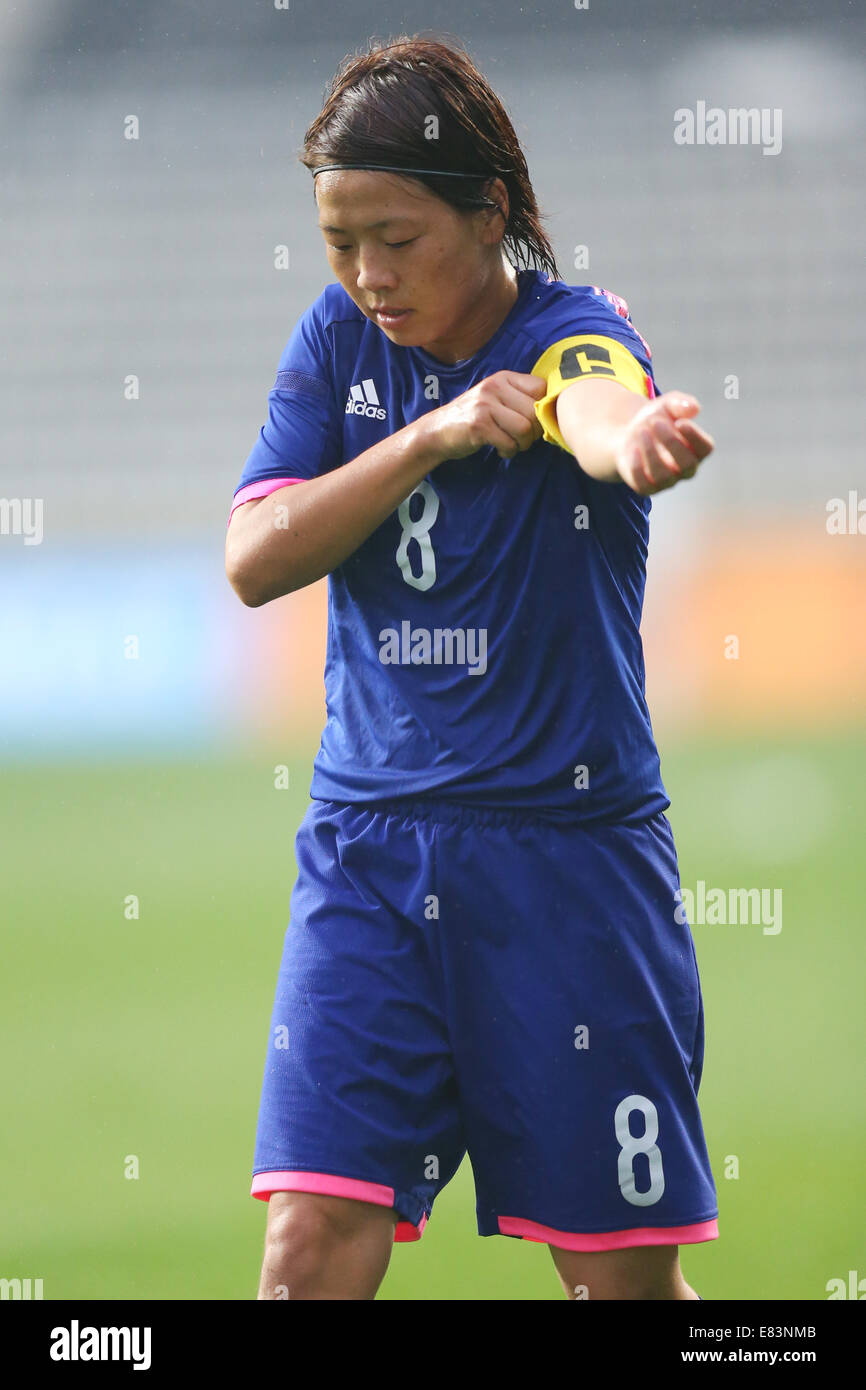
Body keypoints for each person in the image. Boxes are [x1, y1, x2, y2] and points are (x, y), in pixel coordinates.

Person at [225, 34, 717, 1301]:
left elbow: (595, 410)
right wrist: (425, 440)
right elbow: (252, 557)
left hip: (569, 865)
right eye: (339, 240)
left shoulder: (573, 332)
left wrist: (634, 445)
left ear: (487, 211)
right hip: (371, 852)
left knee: (614, 1280)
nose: (366, 274)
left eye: (395, 236)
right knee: (305, 1247)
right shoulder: (336, 344)